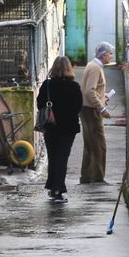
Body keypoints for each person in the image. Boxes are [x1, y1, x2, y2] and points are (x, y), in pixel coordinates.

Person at [36, 57, 83, 202]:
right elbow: (78, 107)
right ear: (69, 68)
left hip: (51, 127)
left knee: (53, 156)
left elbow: (39, 104)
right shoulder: (74, 86)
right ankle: (58, 191)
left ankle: (52, 187)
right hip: (68, 128)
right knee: (62, 158)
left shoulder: (47, 85)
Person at [79, 42, 114, 183]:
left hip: (86, 108)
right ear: (104, 54)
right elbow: (89, 91)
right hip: (91, 110)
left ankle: (87, 176)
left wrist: (102, 95)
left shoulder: (93, 66)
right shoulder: (95, 68)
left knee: (90, 144)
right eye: (110, 53)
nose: (111, 56)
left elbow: (92, 89)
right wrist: (102, 108)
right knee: (99, 145)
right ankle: (97, 177)